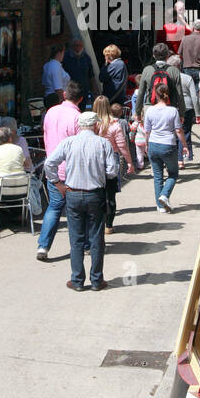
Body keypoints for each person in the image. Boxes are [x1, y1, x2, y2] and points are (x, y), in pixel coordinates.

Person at [43, 112, 118, 291]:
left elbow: (49, 163)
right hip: (95, 194)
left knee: (76, 239)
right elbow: (112, 171)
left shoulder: (69, 142)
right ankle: (96, 280)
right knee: (96, 238)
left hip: (73, 194)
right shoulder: (103, 143)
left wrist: (56, 183)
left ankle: (77, 280)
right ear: (96, 125)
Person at [35, 79, 82, 261]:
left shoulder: (50, 112)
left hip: (52, 168)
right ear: (80, 99)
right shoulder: (77, 117)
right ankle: (82, 245)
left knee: (54, 208)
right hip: (70, 171)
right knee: (74, 210)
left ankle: (43, 246)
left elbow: (45, 134)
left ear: (64, 94)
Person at [143, 83, 190, 212]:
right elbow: (179, 131)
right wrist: (185, 145)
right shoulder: (172, 110)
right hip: (168, 145)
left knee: (158, 176)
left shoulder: (150, 110)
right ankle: (164, 195)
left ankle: (160, 206)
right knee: (173, 174)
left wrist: (146, 145)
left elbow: (147, 131)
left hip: (153, 144)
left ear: (155, 95)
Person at [93, 95, 134, 234]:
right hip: (111, 160)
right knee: (110, 194)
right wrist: (129, 162)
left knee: (96, 193)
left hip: (94, 161)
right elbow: (122, 146)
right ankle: (108, 225)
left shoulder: (91, 125)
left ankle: (97, 223)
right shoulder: (114, 125)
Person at [134, 42, 184, 121]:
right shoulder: (174, 71)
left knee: (150, 133)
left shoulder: (147, 70)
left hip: (150, 107)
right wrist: (181, 114)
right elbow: (179, 94)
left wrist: (138, 112)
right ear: (167, 55)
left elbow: (141, 93)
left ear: (153, 55)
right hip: (169, 107)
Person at [166, 53, 200, 165]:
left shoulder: (167, 78)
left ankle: (174, 159)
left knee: (173, 133)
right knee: (185, 133)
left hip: (171, 107)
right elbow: (194, 96)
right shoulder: (187, 78)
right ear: (179, 66)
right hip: (187, 108)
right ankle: (181, 159)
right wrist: (197, 113)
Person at [63, 37, 95, 105]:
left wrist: (94, 89)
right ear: (72, 46)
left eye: (80, 45)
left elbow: (91, 75)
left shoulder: (86, 58)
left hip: (84, 90)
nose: (78, 48)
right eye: (76, 45)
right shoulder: (66, 58)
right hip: (72, 90)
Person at [177, 19, 200, 89]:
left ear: (193, 28)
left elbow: (179, 53)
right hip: (199, 68)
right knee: (197, 90)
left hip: (186, 68)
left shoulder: (185, 39)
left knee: (186, 90)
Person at [42, 43, 70, 110]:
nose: (64, 55)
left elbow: (44, 85)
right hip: (56, 101)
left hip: (49, 99)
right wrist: (66, 102)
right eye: (63, 53)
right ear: (59, 53)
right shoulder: (55, 66)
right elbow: (58, 89)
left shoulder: (47, 65)